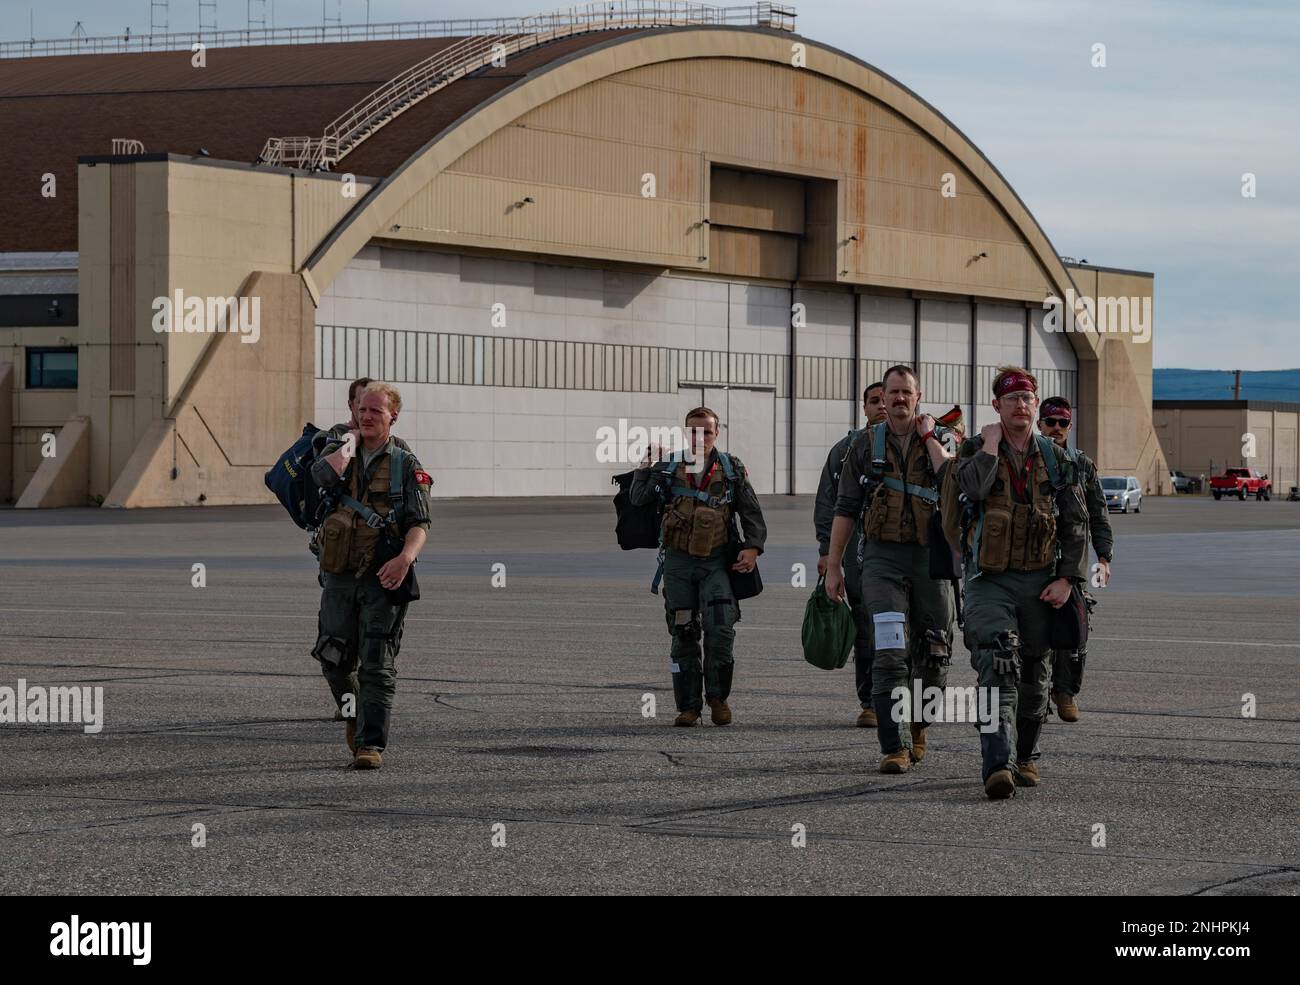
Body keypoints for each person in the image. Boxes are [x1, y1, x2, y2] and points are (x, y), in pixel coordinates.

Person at [954, 367, 1087, 798]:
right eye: (1011, 398)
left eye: (1028, 397)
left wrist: (1068, 578)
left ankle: (1026, 755)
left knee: (1035, 676)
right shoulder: (975, 450)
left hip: (1042, 581)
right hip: (989, 580)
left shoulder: (1057, 459)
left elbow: (1075, 523)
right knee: (997, 663)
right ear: (996, 405)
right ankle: (997, 764)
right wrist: (990, 446)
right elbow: (970, 491)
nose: (1021, 405)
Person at [826, 365, 954, 773]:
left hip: (932, 561)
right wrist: (833, 567)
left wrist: (930, 435)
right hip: (881, 561)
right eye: (891, 393)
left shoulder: (944, 439)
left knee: (934, 652)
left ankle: (919, 725)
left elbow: (956, 482)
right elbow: (844, 508)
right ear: (882, 396)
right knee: (889, 653)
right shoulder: (864, 446)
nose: (898, 400)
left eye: (905, 393)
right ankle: (893, 746)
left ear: (919, 396)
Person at [309, 382, 433, 769]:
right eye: (362, 409)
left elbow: (420, 522)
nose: (366, 417)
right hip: (339, 574)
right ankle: (352, 713)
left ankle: (370, 745)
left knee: (377, 661)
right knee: (333, 657)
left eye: (375, 411)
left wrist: (405, 560)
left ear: (393, 417)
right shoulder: (339, 449)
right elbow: (321, 479)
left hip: (383, 575)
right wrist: (347, 447)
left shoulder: (405, 464)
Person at [629, 407, 767, 726]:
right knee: (683, 632)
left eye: (706, 431)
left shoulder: (731, 468)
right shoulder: (668, 467)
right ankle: (688, 707)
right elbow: (638, 499)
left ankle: (718, 699)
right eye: (693, 431)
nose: (700, 437)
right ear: (684, 433)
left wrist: (753, 548)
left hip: (718, 561)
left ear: (716, 433)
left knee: (720, 629)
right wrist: (645, 466)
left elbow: (751, 512)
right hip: (678, 563)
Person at [814, 382, 888, 726]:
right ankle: (871, 701)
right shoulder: (845, 450)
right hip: (857, 551)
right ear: (865, 408)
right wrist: (829, 555)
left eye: (886, 399)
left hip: (903, 553)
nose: (882, 406)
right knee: (865, 628)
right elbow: (828, 504)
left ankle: (906, 702)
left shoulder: (919, 445)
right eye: (874, 401)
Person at [1036, 396, 1113, 723]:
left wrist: (1104, 556)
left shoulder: (1081, 465)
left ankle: (1065, 692)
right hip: (1030, 558)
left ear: (1069, 426)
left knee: (1073, 631)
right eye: (1050, 421)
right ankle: (1034, 698)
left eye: (1062, 423)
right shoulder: (1028, 458)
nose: (1055, 428)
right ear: (1039, 423)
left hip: (1069, 560)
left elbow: (1098, 514)